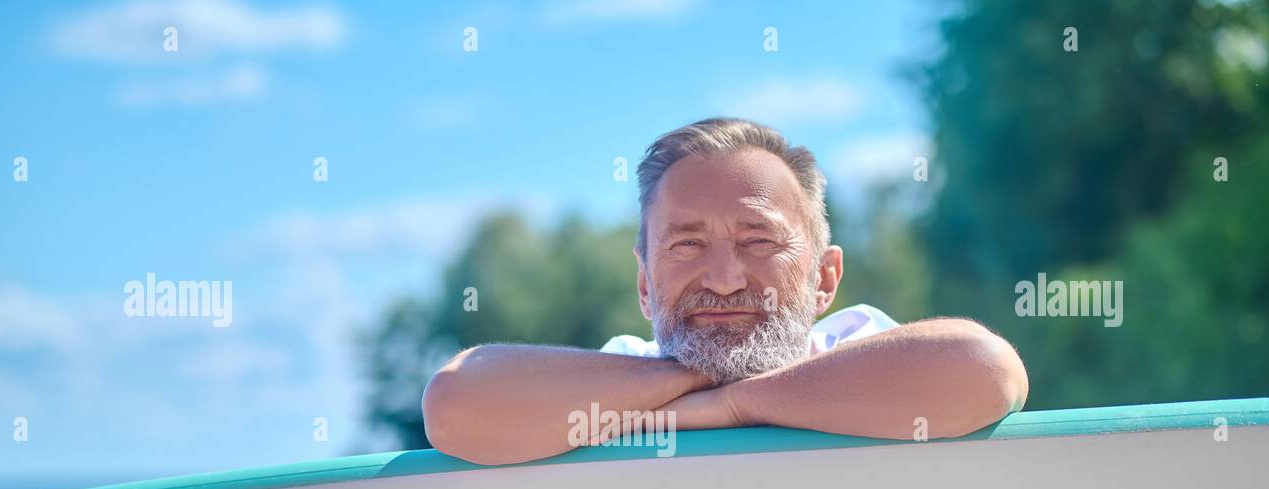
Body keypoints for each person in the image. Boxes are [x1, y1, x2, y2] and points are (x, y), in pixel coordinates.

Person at [423, 117, 1028, 465]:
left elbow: (987, 369)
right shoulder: (625, 371)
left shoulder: (860, 347)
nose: (723, 279)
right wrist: (691, 378)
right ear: (643, 284)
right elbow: (453, 406)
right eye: (687, 245)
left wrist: (734, 404)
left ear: (824, 280)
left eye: (759, 242)